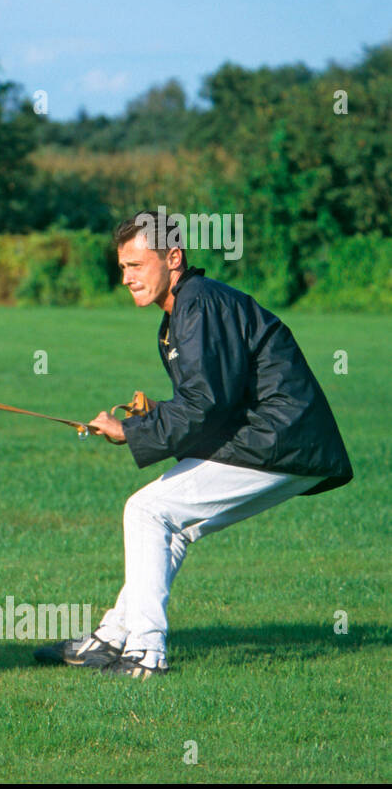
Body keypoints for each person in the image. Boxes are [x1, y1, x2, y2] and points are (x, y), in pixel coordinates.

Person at [36, 210, 353, 679]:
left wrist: (133, 431)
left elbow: (208, 403)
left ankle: (146, 654)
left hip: (277, 440)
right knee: (173, 527)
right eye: (123, 267)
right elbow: (212, 400)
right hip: (287, 443)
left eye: (136, 265)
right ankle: (112, 637)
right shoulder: (188, 306)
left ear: (174, 257)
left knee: (146, 511)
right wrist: (149, 418)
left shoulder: (198, 303)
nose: (126, 278)